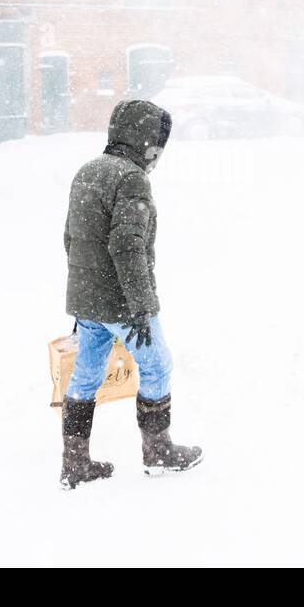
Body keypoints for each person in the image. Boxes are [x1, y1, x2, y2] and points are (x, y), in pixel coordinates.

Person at [60, 98, 203, 490]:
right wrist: (139, 307)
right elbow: (128, 245)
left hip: (87, 299)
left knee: (86, 376)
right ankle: (157, 451)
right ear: (145, 141)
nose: (157, 156)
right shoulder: (132, 179)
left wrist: (82, 300)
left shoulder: (87, 171)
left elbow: (71, 238)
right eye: (157, 146)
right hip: (122, 300)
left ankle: (75, 463)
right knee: (158, 365)